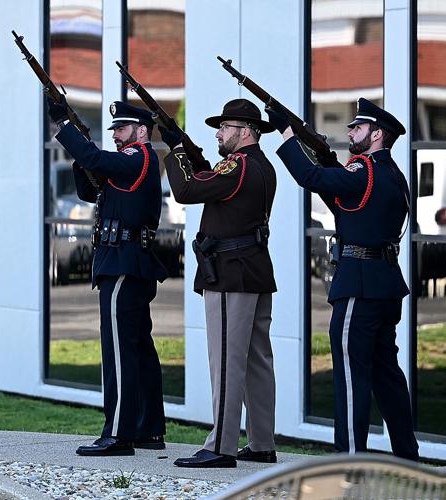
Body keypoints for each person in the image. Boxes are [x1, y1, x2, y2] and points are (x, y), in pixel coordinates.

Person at [268, 98, 418, 460]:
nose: (351, 131)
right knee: (387, 376)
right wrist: (326, 159)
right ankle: (408, 459)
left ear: (377, 134)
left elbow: (311, 179)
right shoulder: (390, 174)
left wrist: (288, 134)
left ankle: (349, 462)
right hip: (384, 284)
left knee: (351, 378)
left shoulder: (363, 170)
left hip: (359, 284)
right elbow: (345, 204)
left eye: (359, 126)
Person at [46, 98, 168, 456]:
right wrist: (80, 148)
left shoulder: (139, 157)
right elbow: (89, 188)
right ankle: (147, 429)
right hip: (124, 262)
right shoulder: (128, 163)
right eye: (113, 130)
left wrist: (65, 128)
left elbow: (98, 160)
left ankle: (118, 433)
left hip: (124, 263)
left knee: (119, 351)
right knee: (137, 348)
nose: (116, 135)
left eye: (122, 129)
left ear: (141, 131)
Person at [161, 99, 278, 468]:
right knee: (257, 361)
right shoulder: (260, 165)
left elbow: (188, 190)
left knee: (227, 362)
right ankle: (261, 442)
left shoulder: (239, 165)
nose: (218, 134)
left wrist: (175, 150)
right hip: (253, 269)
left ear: (245, 131)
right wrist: (190, 155)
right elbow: (211, 181)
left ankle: (221, 446)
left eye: (225, 128)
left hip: (231, 273)